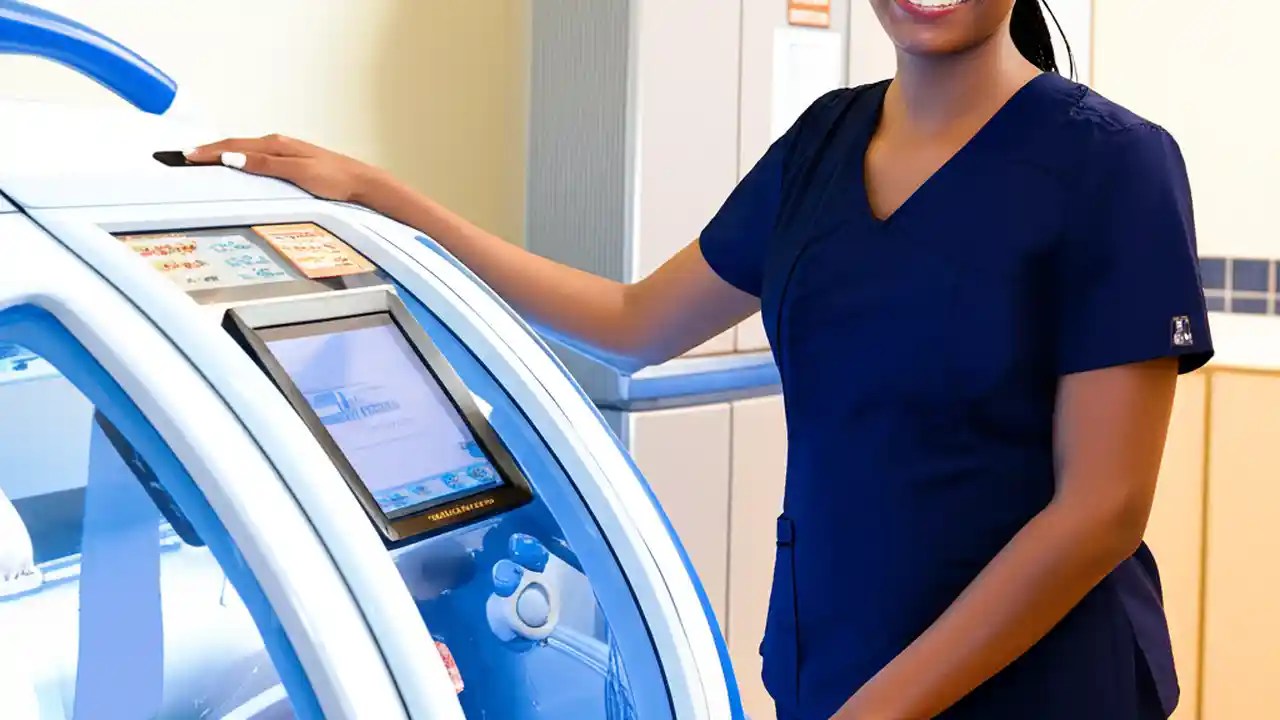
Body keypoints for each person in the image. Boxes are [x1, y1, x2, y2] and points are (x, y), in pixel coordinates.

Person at [187, 0, 1213, 716]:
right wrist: (380, 197)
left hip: (1037, 688)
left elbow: (1099, 511)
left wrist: (881, 712)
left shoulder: (1110, 165)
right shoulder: (821, 144)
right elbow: (634, 321)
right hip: (833, 665)